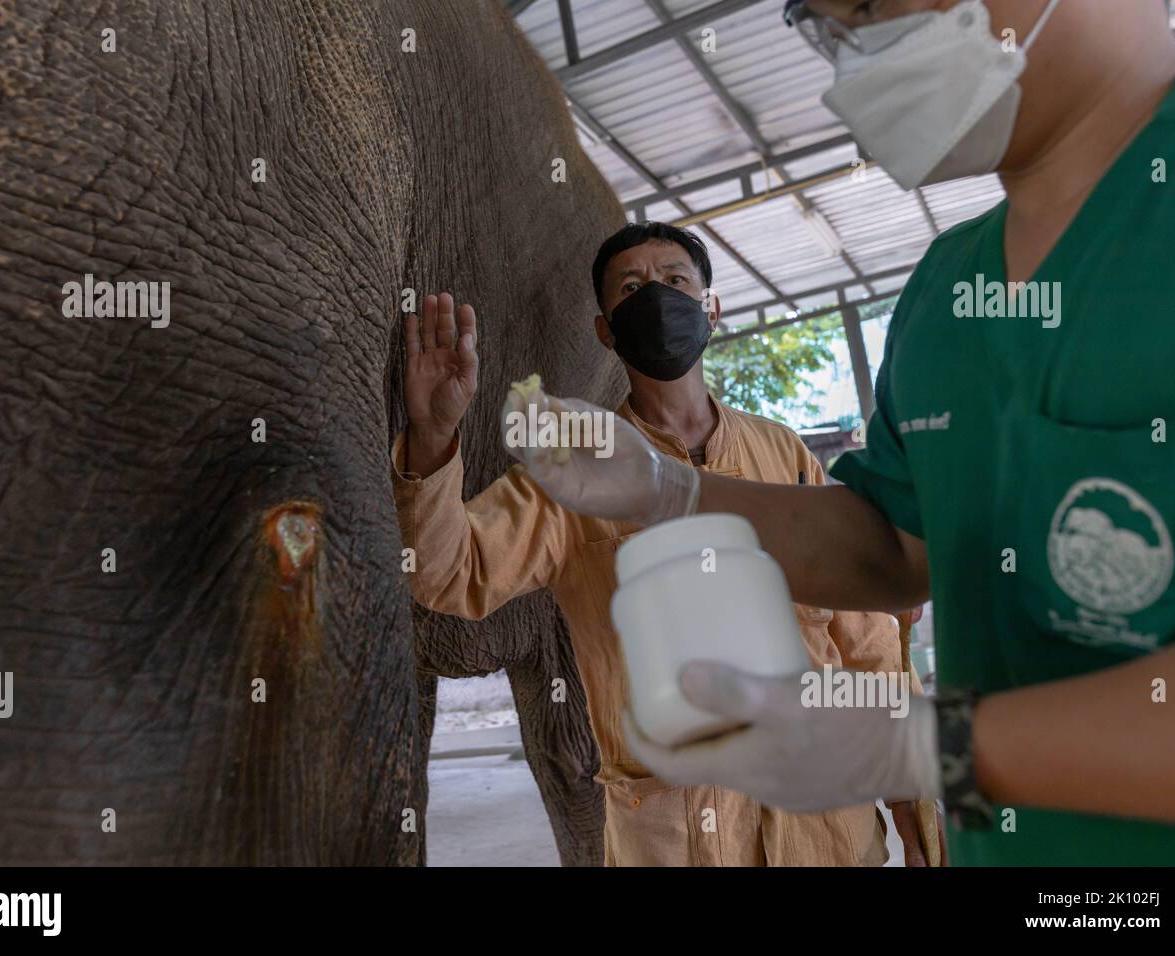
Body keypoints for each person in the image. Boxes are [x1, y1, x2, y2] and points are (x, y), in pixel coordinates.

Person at [510, 0, 1175, 866]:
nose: (853, 54)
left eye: (870, 7)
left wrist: (926, 747)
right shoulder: (948, 292)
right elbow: (893, 547)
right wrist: (673, 493)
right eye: (825, 24)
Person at [392, 222, 940, 865]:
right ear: (606, 329)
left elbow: (867, 641)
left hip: (828, 830)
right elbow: (450, 573)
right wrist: (432, 436)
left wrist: (915, 811)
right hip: (682, 841)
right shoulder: (573, 472)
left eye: (675, 281)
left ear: (711, 307)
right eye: (632, 287)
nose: (656, 295)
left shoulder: (783, 453)